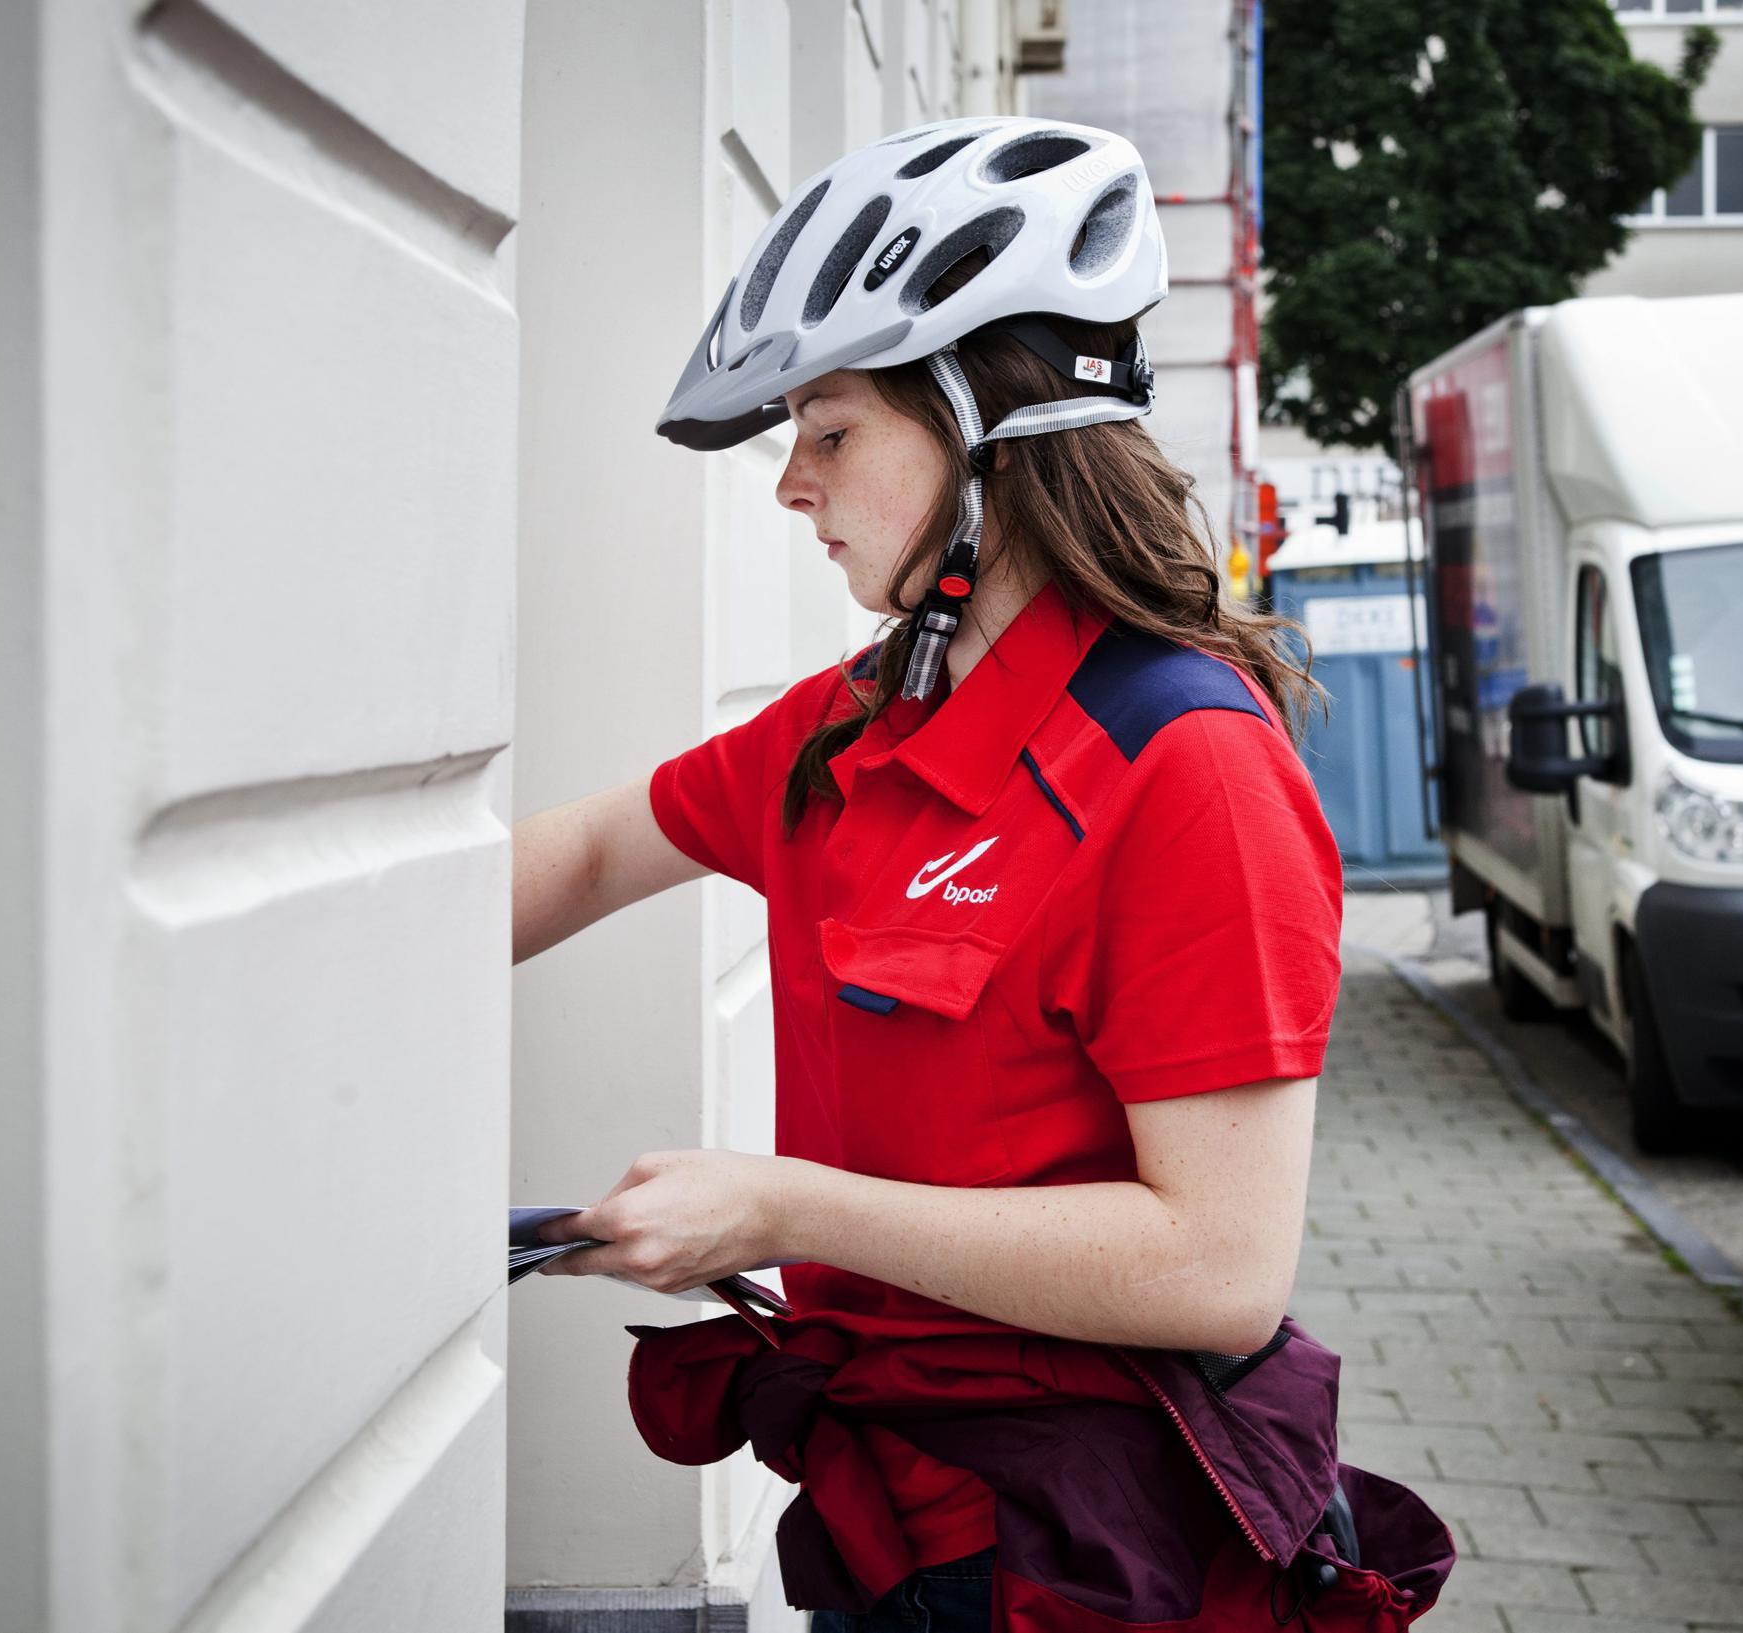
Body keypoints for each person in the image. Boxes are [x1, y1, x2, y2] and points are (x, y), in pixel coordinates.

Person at [510, 116, 1385, 1631]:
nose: (793, 482)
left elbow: (1216, 1264)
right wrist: (310, 943)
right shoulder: (858, 724)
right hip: (885, 1520)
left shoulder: (1188, 768)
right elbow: (589, 849)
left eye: (832, 429)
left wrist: (780, 1208)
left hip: (1080, 1553)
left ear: (994, 431)